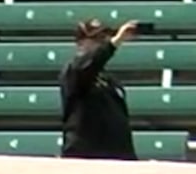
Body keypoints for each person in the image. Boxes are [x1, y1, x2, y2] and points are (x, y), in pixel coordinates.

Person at [60, 17, 141, 160]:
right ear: (80, 43)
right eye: (96, 39)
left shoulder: (109, 79)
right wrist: (115, 42)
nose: (101, 43)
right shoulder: (73, 71)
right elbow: (89, 64)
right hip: (85, 154)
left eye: (104, 38)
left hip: (116, 155)